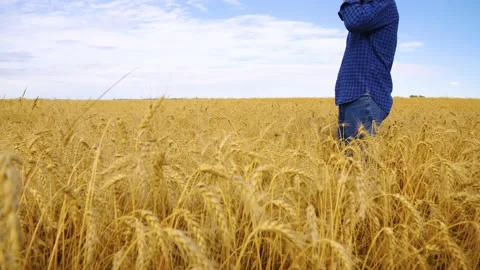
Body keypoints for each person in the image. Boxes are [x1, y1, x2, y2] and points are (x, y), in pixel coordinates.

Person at [335, 0, 399, 145]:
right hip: (353, 94)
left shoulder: (384, 3)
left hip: (364, 93)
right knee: (347, 162)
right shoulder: (369, 10)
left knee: (357, 163)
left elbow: (354, 20)